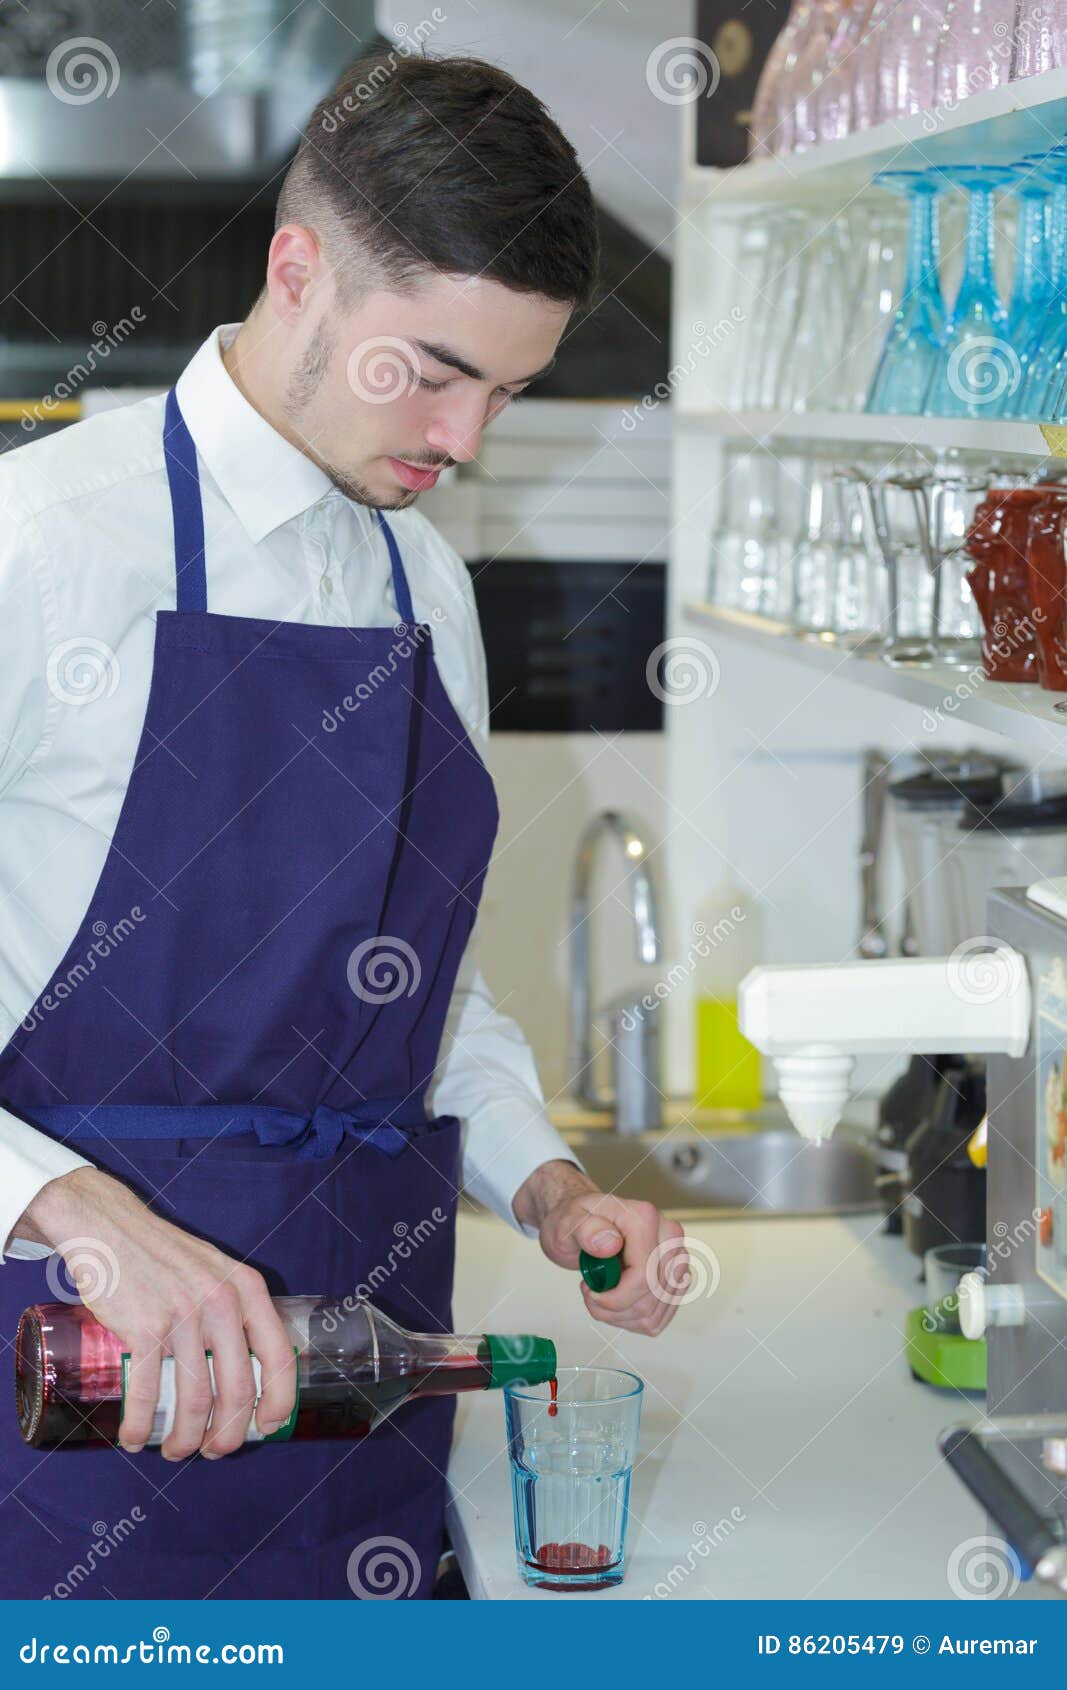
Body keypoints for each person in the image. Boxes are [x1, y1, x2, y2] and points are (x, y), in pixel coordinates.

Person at [0, 49, 687, 1599]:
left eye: (507, 393)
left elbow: (410, 986)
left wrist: (545, 1181)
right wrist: (71, 1205)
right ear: (295, 272)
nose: (467, 442)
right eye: (434, 370)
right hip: (65, 1425)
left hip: (365, 1440)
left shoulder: (419, 582)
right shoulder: (41, 546)